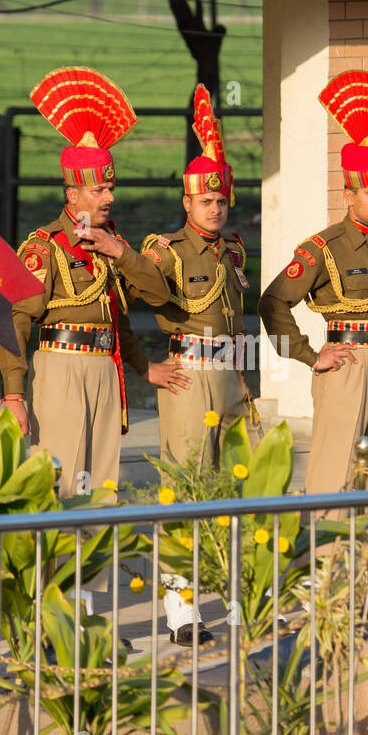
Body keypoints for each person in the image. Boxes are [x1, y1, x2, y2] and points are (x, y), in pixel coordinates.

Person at [259, 69, 368, 628]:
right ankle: (313, 589)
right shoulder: (323, 247)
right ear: (348, 192)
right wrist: (309, 355)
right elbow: (272, 303)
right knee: (329, 476)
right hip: (344, 361)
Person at [0, 67, 171, 502]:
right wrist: (13, 393)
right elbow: (15, 319)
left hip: (105, 370)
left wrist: (120, 253)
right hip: (60, 367)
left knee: (102, 489)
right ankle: (53, 571)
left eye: (111, 187)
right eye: (98, 190)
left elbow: (151, 299)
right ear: (73, 195)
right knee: (62, 484)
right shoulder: (44, 246)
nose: (109, 197)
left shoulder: (114, 245)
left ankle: (94, 573)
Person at [130, 85, 258, 645]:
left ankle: (236, 594)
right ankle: (180, 609)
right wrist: (145, 369)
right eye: (205, 200)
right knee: (185, 489)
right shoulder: (165, 249)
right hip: (185, 375)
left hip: (230, 375)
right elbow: (137, 297)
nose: (215, 206)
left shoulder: (233, 249)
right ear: (187, 202)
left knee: (235, 487)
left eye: (221, 199)